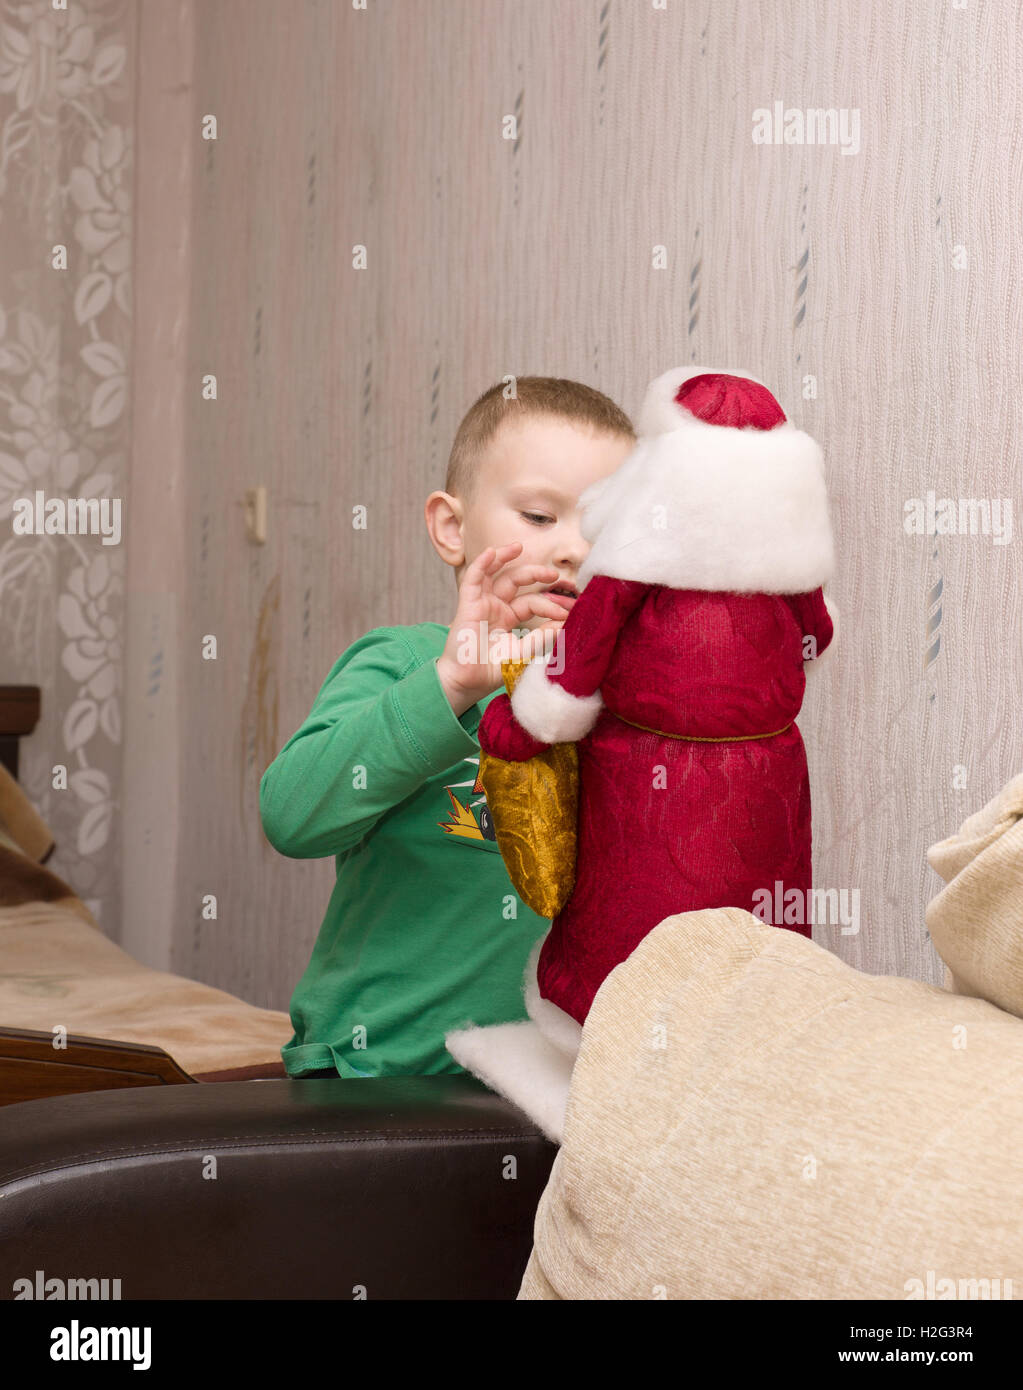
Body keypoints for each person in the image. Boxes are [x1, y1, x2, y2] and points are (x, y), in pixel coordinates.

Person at [259, 377, 636, 1077]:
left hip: (557, 1093)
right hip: (377, 1077)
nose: (573, 550)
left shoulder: (621, 709)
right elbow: (290, 818)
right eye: (537, 516)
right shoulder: (406, 665)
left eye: (602, 526)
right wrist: (453, 685)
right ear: (451, 528)